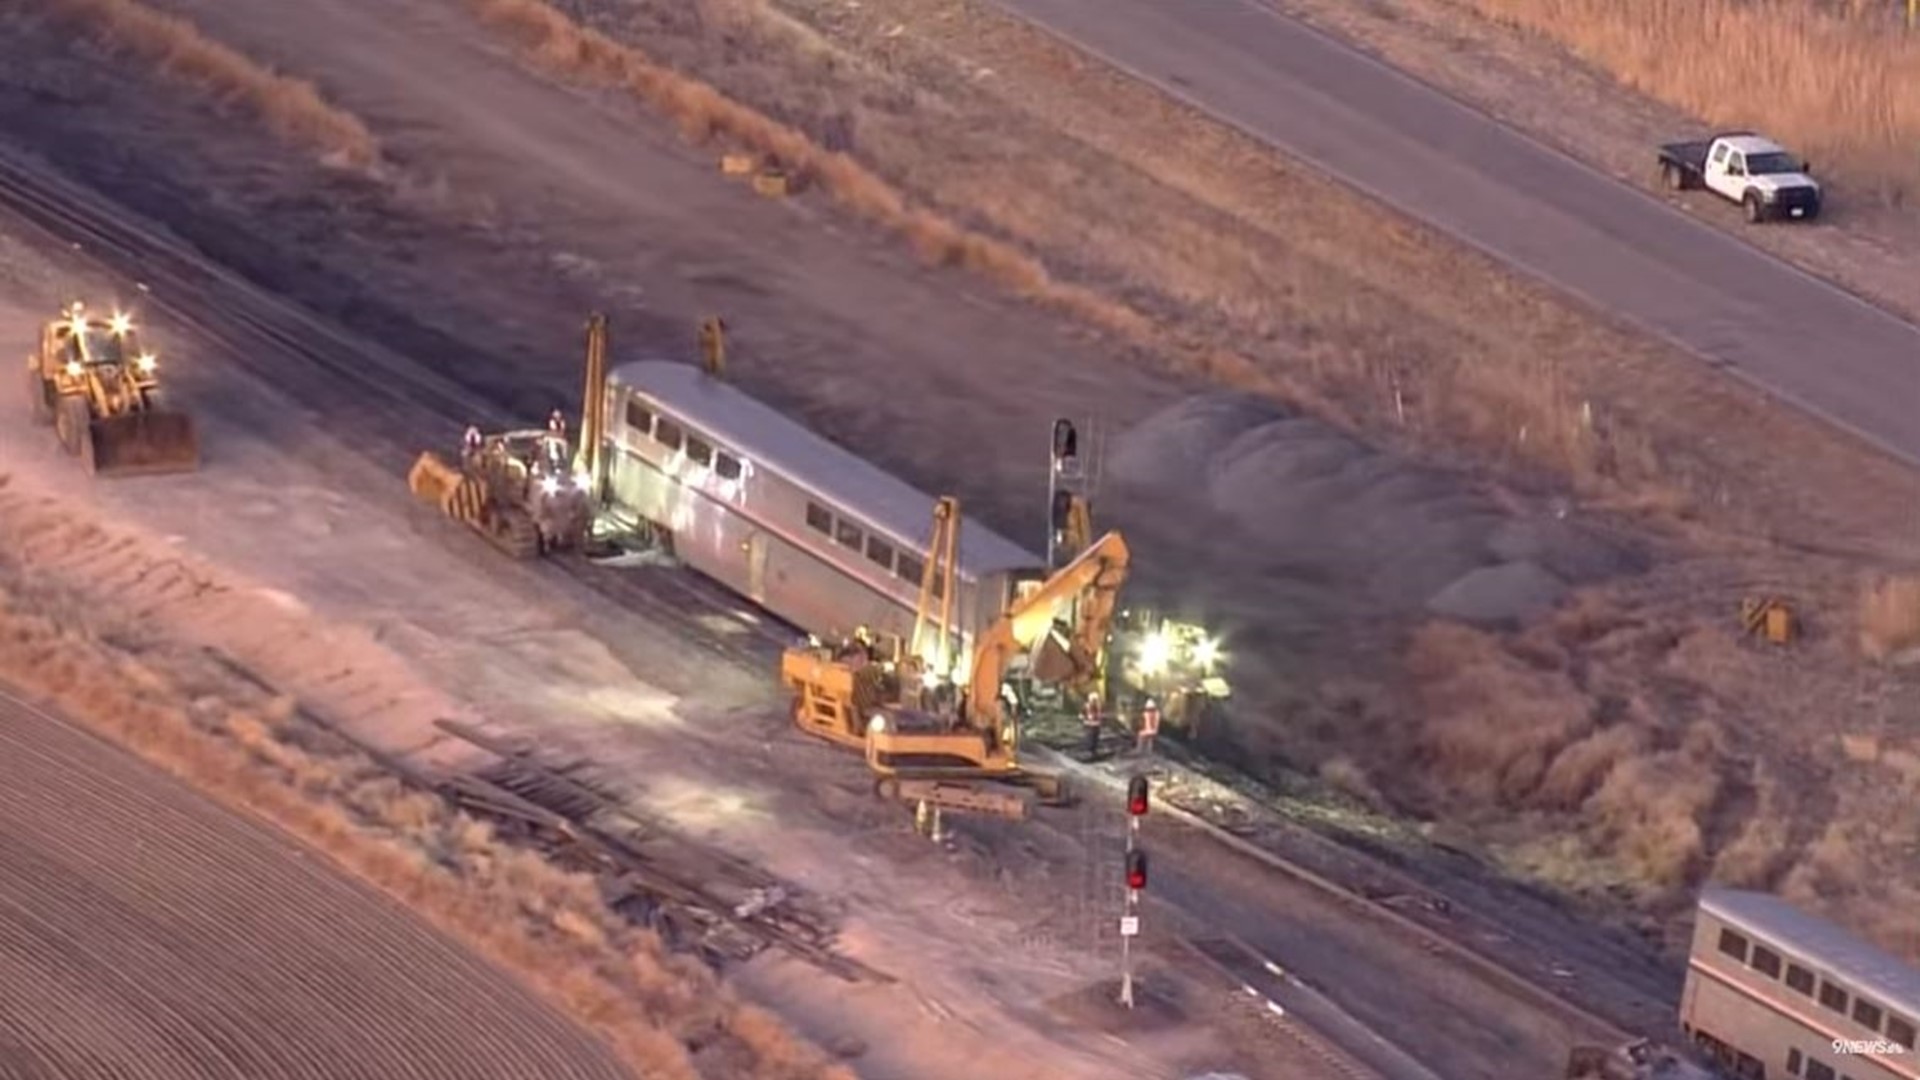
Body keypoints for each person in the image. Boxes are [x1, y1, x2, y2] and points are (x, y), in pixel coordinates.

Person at [1080, 692, 1104, 760]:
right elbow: (1081, 715)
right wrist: (1086, 719)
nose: (1095, 701)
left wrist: (1100, 718)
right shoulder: (1086, 706)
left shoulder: (1098, 706)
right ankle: (1089, 751)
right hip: (1089, 725)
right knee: (1090, 738)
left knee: (1095, 738)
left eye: (1096, 700)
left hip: (1096, 725)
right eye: (1093, 700)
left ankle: (1094, 751)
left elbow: (1100, 714)